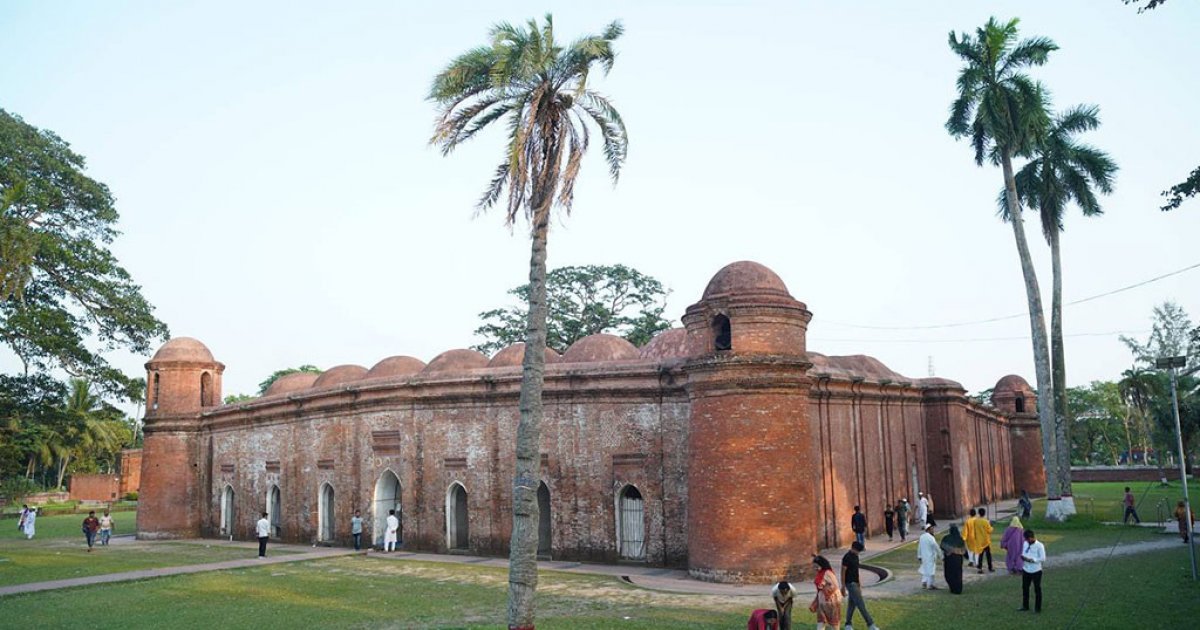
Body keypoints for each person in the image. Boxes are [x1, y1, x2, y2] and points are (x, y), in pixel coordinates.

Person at [841, 541, 880, 630]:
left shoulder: (856, 556)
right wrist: (843, 586)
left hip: (855, 582)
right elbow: (843, 571)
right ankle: (870, 624)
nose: (858, 553)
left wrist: (859, 583)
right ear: (853, 548)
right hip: (850, 583)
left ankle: (848, 624)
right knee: (860, 604)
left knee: (852, 604)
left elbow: (856, 571)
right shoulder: (847, 557)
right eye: (858, 551)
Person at [808, 555, 842, 630]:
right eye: (814, 566)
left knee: (834, 622)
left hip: (832, 601)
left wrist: (825, 590)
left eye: (817, 566)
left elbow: (835, 585)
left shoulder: (828, 573)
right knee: (821, 620)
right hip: (822, 601)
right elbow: (819, 589)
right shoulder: (819, 573)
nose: (815, 568)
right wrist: (816, 601)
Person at [1018, 529, 1045, 613]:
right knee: (1025, 588)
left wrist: (1032, 560)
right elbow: (1024, 552)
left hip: (1036, 570)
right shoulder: (1025, 543)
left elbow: (1043, 558)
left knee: (1037, 589)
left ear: (1031, 538)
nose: (1026, 541)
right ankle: (1025, 606)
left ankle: (1038, 608)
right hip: (1026, 569)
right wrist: (1023, 557)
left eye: (1027, 539)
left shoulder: (1040, 545)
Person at [940, 524, 967, 594]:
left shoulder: (946, 538)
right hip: (958, 559)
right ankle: (958, 589)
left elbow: (942, 546)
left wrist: (949, 550)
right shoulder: (960, 539)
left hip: (949, 559)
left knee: (949, 574)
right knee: (958, 574)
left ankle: (952, 588)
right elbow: (964, 550)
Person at [917, 523, 942, 590]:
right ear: (928, 530)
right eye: (932, 529)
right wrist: (941, 556)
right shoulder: (931, 538)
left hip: (924, 557)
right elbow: (936, 547)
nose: (933, 530)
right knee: (931, 571)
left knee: (925, 570)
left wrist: (919, 556)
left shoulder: (922, 537)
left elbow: (919, 547)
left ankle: (924, 583)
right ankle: (931, 584)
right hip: (930, 557)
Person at [969, 507, 994, 573]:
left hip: (979, 541)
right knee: (988, 555)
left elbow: (974, 530)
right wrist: (991, 526)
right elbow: (989, 530)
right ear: (984, 513)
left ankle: (980, 568)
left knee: (980, 555)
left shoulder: (976, 521)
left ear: (979, 513)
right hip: (986, 541)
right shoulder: (986, 521)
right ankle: (990, 568)